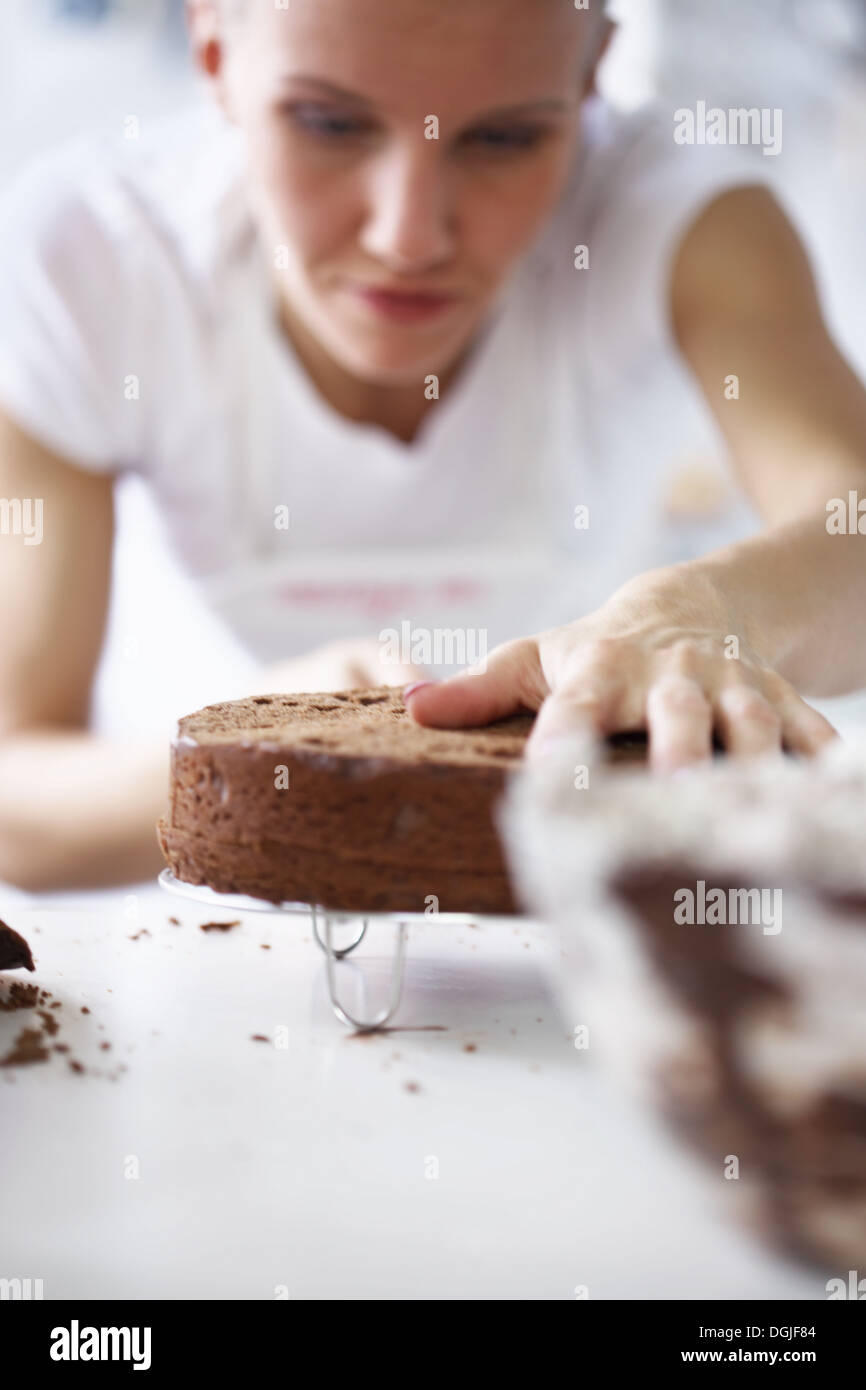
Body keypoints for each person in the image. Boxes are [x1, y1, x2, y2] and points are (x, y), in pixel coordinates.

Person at [0, 0, 864, 891]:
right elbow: (15, 800)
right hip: (186, 928)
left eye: (503, 139)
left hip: (565, 915)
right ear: (214, 55)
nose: (408, 237)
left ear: (590, 76)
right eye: (329, 122)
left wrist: (710, 611)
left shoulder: (688, 223)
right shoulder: (93, 256)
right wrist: (263, 755)